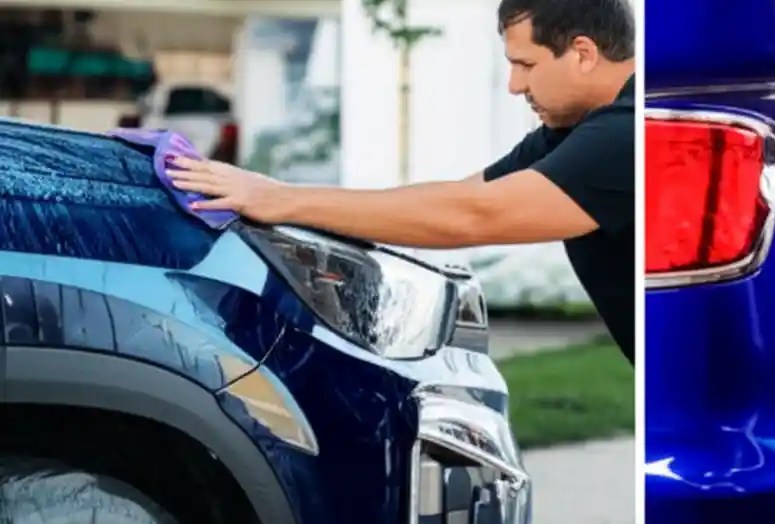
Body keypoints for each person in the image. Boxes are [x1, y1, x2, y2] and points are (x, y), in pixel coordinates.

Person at [167, 0, 636, 363]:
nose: (514, 85)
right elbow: (464, 196)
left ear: (582, 53)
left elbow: (475, 216)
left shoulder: (628, 132)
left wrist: (281, 200)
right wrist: (276, 198)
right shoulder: (571, 131)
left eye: (526, 65)